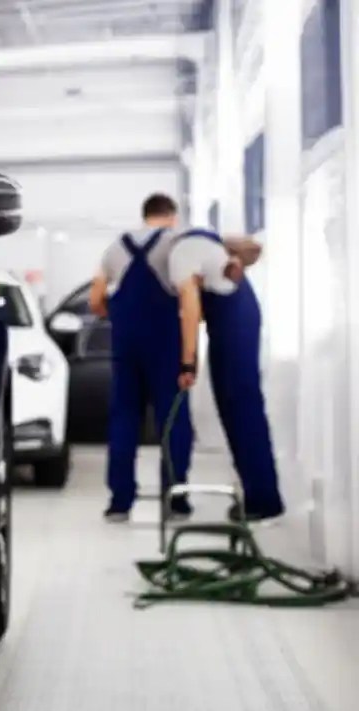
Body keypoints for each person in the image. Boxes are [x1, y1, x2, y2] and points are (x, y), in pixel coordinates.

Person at [89, 194, 194, 522]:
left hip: (127, 347)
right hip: (165, 347)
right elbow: (190, 303)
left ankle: (119, 503)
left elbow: (96, 299)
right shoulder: (177, 244)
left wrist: (119, 319)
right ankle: (175, 500)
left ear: (145, 214)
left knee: (123, 420)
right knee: (174, 421)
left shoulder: (115, 247)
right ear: (171, 216)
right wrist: (189, 359)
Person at [169, 228, 285, 523]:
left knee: (242, 409)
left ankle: (264, 502)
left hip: (233, 325)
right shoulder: (197, 242)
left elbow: (192, 308)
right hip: (236, 317)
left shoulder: (180, 256)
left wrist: (187, 363)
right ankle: (258, 495)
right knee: (236, 408)